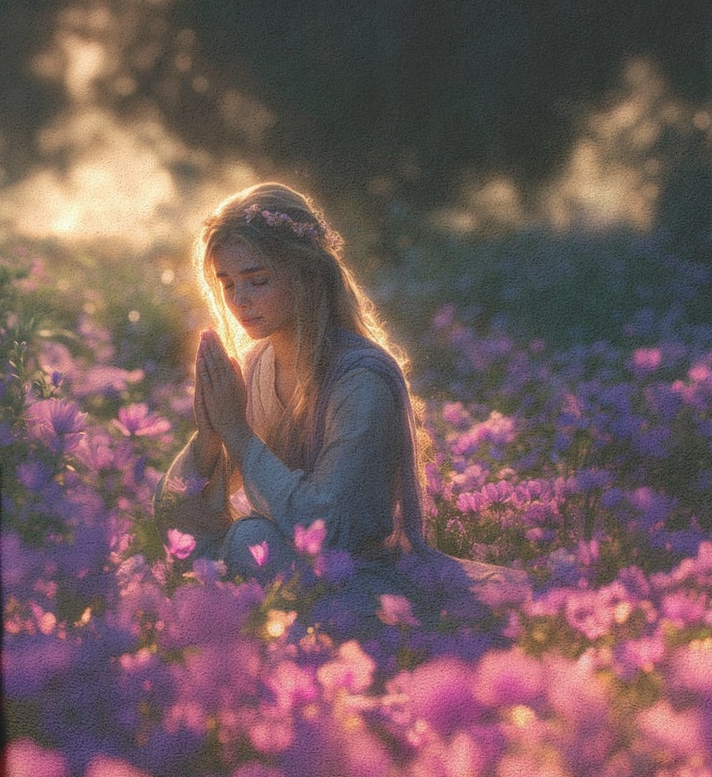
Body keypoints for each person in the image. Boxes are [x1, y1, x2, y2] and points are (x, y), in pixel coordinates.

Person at [155, 182, 485, 624]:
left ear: (306, 274)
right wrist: (211, 437)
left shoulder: (361, 380)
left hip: (358, 579)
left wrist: (237, 433)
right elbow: (178, 514)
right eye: (228, 285)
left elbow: (325, 529)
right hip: (288, 567)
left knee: (251, 541)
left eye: (257, 281)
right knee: (244, 540)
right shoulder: (253, 366)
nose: (240, 302)